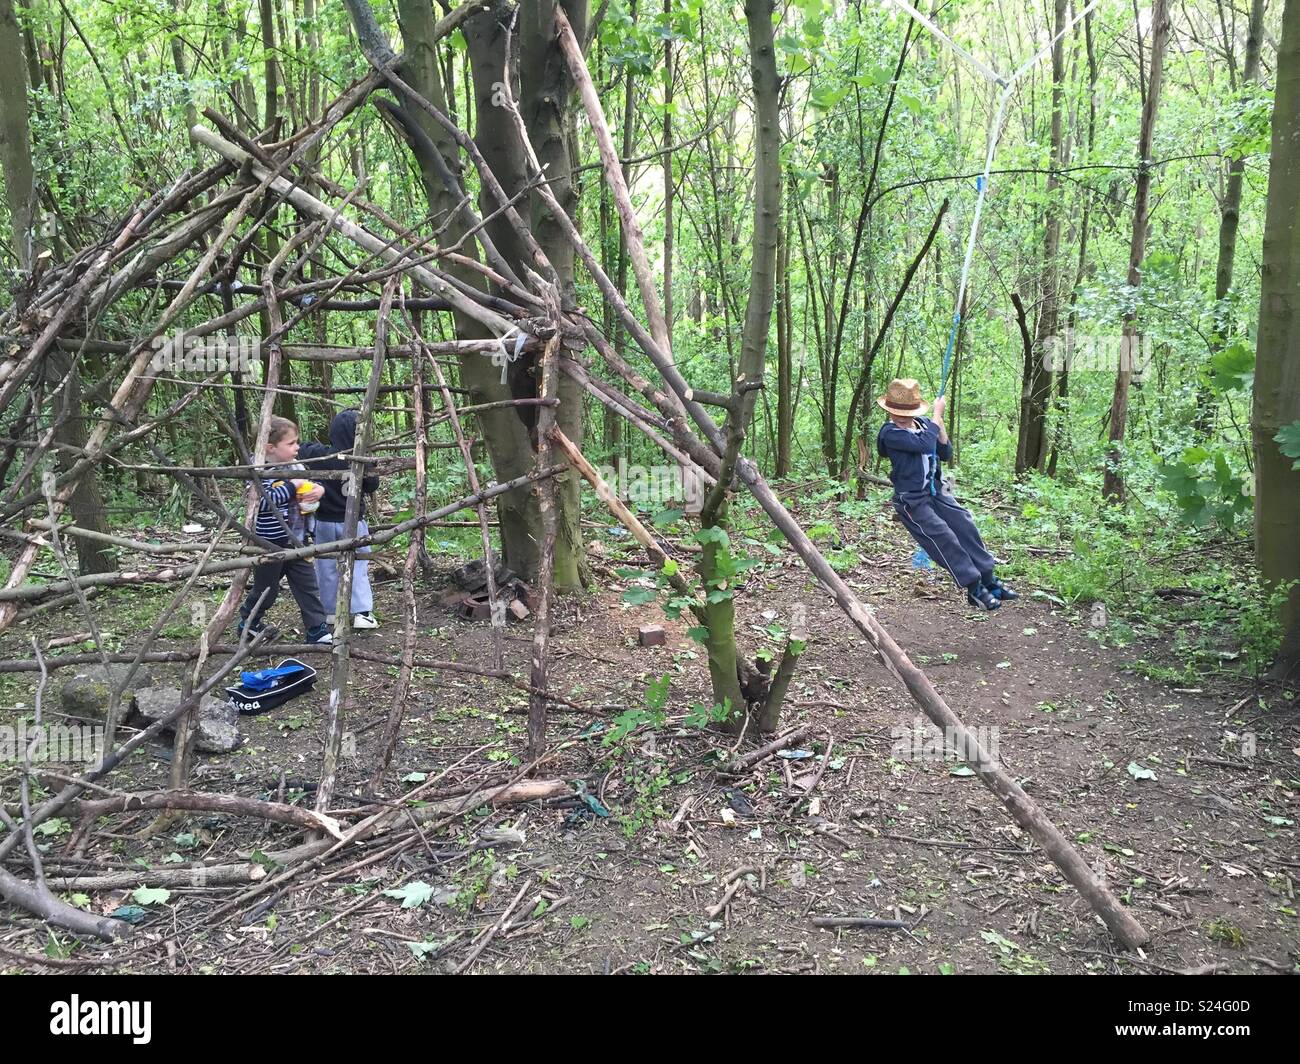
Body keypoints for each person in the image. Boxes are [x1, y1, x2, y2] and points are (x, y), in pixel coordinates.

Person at [875, 378, 1018, 611]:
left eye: (906, 411)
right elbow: (922, 445)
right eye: (895, 411)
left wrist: (939, 425)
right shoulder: (889, 432)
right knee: (943, 536)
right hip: (912, 499)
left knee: (964, 524)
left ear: (916, 410)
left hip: (936, 490)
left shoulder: (923, 425)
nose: (900, 416)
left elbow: (945, 452)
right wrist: (936, 417)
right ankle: (974, 588)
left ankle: (989, 579)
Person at [238, 415, 333, 643]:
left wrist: (318, 490)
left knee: (307, 586)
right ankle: (248, 622)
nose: (297, 447)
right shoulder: (258, 471)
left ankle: (317, 628)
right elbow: (263, 501)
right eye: (291, 444)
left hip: (297, 539)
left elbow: (309, 481)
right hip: (269, 542)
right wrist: (293, 486)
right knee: (267, 590)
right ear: (270, 448)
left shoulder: (294, 466)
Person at [299, 409, 379, 630]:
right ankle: (362, 613)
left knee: (326, 567)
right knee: (358, 566)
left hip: (324, 523)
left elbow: (304, 450)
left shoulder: (322, 457)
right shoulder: (360, 460)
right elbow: (373, 484)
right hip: (354, 523)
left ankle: (330, 612)